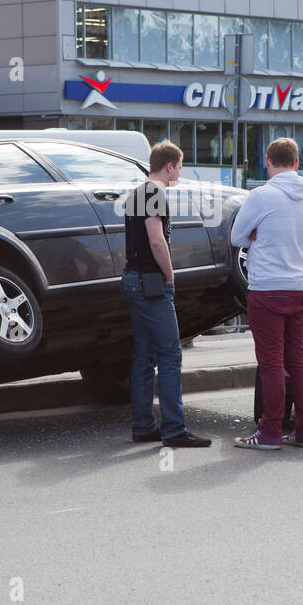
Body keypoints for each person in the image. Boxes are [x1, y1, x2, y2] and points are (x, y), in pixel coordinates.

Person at [119, 141, 211, 448]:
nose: (181, 173)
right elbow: (156, 241)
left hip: (133, 278)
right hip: (151, 283)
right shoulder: (154, 193)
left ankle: (143, 426)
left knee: (144, 357)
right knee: (171, 356)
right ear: (169, 166)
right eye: (181, 167)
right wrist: (170, 277)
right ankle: (174, 430)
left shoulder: (136, 192)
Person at [231, 137, 303, 450]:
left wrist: (258, 235)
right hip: (298, 286)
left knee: (270, 364)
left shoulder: (261, 196)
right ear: (297, 162)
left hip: (267, 288)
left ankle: (269, 431)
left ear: (267, 161)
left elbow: (237, 236)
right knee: (297, 359)